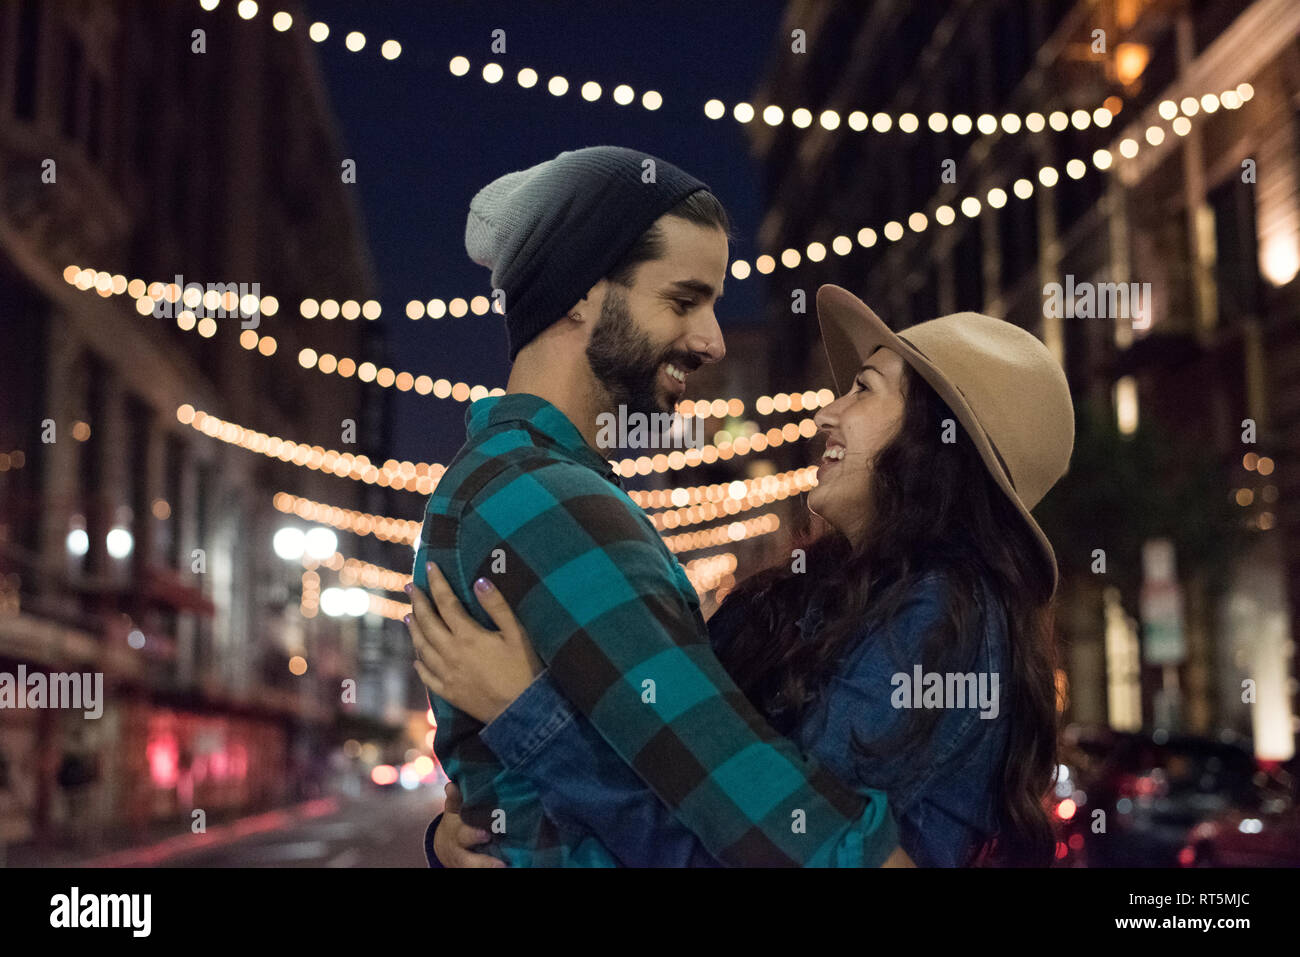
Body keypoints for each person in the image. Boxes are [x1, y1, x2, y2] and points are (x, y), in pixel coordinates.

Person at [410, 283, 1075, 866]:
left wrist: (529, 719)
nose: (826, 414)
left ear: (935, 442)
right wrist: (478, 827)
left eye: (864, 391)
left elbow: (743, 843)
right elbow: (680, 774)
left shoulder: (941, 620)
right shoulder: (832, 593)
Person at [409, 147, 910, 867]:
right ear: (580, 292)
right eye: (683, 300)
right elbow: (734, 787)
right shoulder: (548, 497)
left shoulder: (506, 478)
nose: (710, 340)